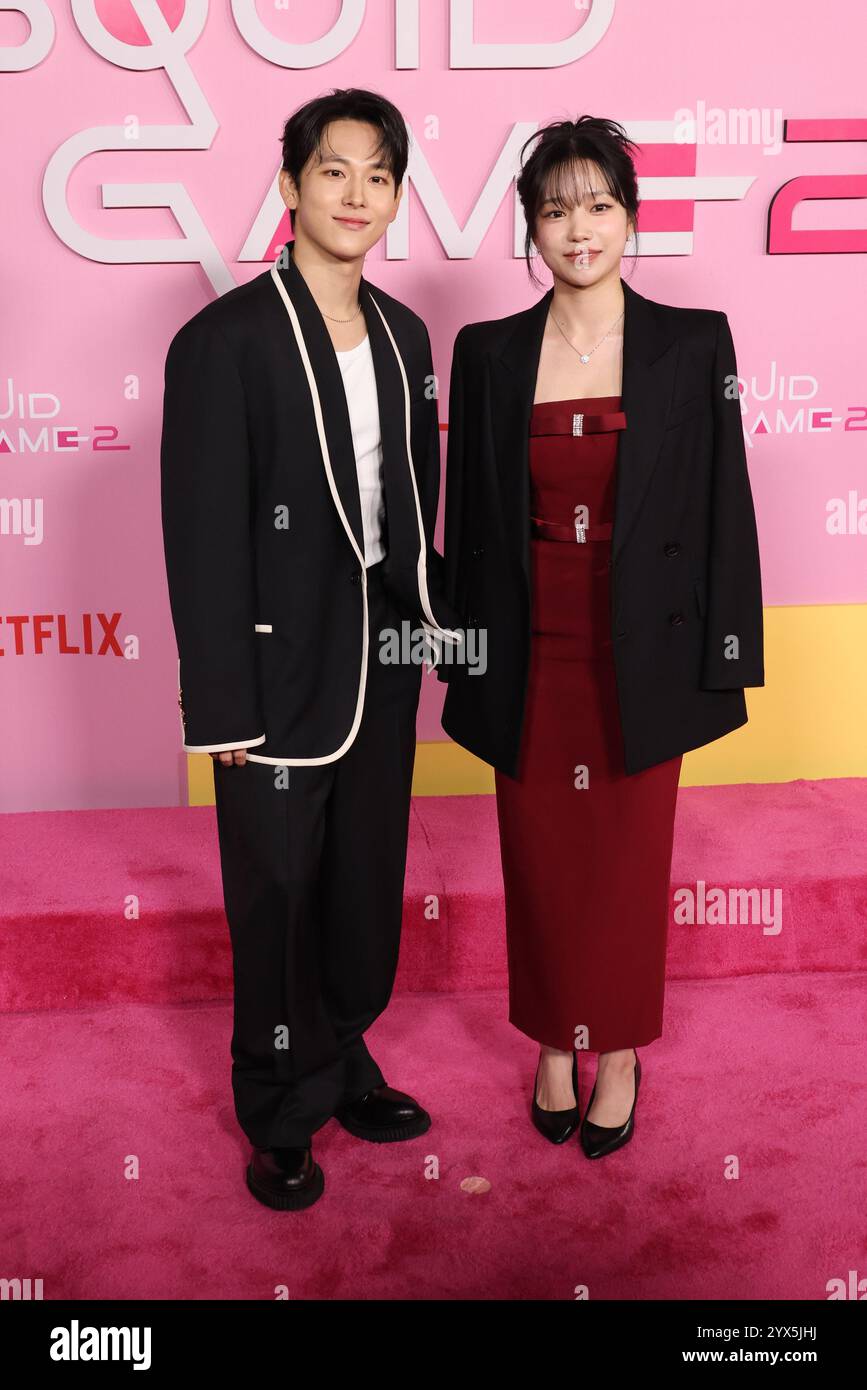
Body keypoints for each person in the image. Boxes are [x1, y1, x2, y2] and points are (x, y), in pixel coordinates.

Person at [438, 115, 764, 1160]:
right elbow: (471, 523)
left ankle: (616, 1048)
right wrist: (457, 656)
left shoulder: (692, 341)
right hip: (531, 645)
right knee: (537, 855)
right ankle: (549, 1038)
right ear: (532, 226)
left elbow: (724, 505)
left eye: (598, 205)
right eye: (554, 208)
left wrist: (728, 656)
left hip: (646, 646)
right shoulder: (487, 352)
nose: (578, 229)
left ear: (631, 215)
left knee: (625, 859)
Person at [160, 88, 463, 1210]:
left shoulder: (405, 334)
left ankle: (342, 1059)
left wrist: (443, 638)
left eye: (378, 176)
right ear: (290, 188)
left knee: (362, 879)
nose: (357, 194)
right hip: (273, 674)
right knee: (278, 890)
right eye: (334, 171)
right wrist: (224, 712)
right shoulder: (224, 342)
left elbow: (411, 509)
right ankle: (279, 1106)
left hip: (380, 659)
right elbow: (201, 540)